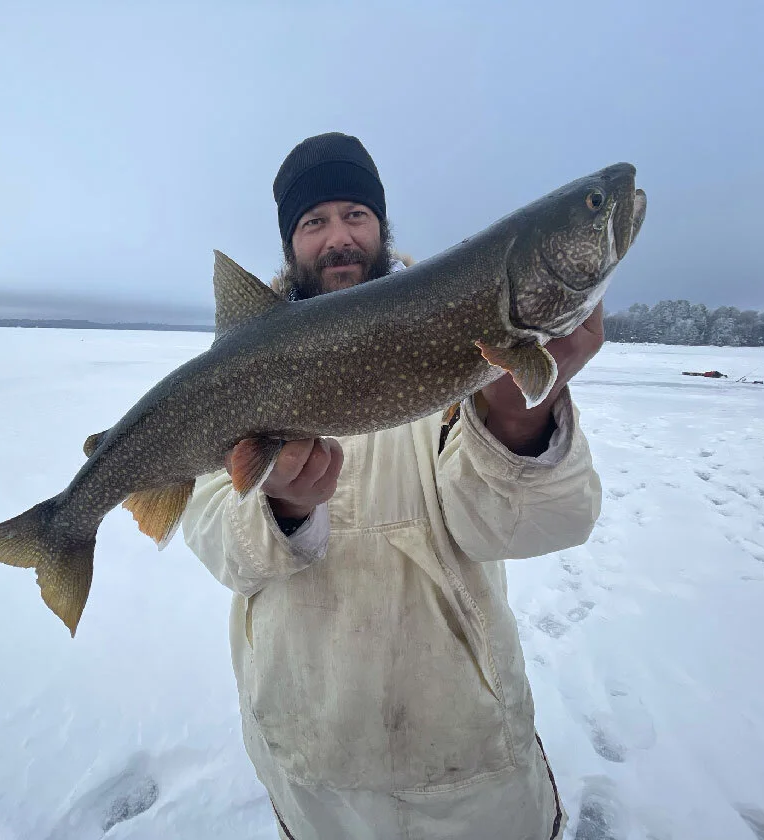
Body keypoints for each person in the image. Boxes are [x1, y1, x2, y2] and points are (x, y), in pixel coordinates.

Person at [180, 132, 605, 840]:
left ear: (383, 225)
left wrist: (512, 420)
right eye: (313, 222)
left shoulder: (465, 339)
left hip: (468, 777)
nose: (338, 237)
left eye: (355, 214)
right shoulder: (233, 374)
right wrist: (280, 509)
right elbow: (214, 541)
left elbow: (539, 525)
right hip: (308, 763)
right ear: (290, 243)